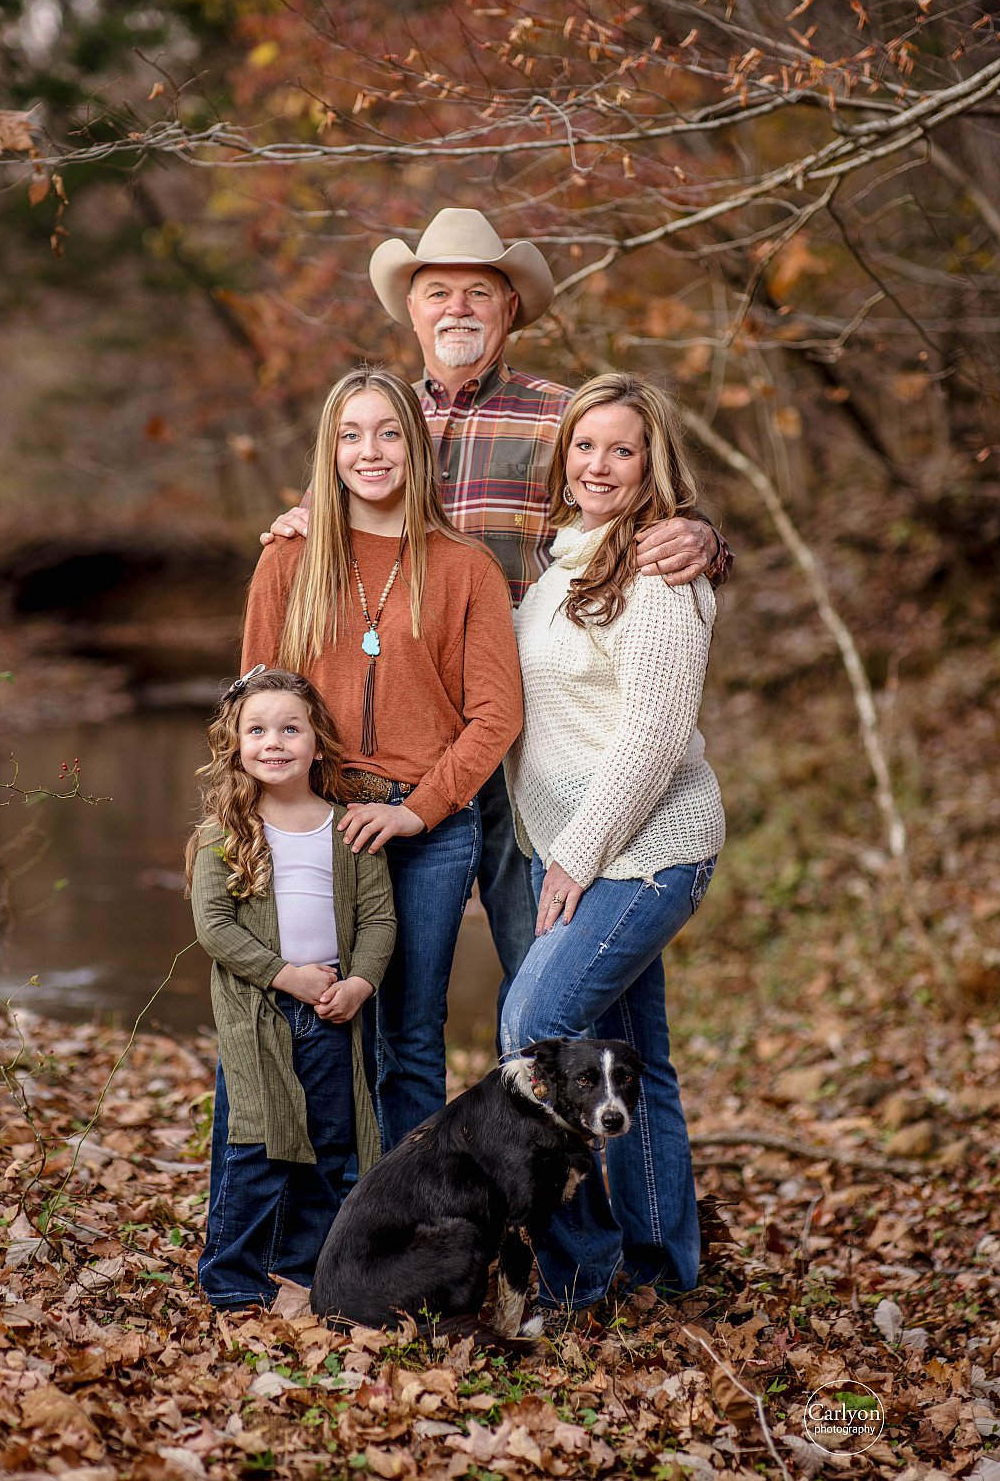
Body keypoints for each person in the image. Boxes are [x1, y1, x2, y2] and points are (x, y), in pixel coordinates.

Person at [260, 208, 732, 1018]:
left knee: (548, 984)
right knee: (393, 997)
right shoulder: (372, 427)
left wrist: (703, 536)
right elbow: (314, 555)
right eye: (437, 291)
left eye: (479, 292)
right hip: (398, 758)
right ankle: (414, 1150)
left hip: (528, 748)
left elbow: (642, 500)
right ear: (410, 308)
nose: (458, 308)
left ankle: (554, 1144)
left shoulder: (562, 420)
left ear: (510, 308)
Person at [241, 367, 522, 1149]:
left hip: (427, 830)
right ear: (330, 450)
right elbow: (255, 706)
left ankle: (411, 1231)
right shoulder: (288, 561)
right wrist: (260, 824)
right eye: (352, 434)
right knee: (321, 1027)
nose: (372, 451)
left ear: (417, 447)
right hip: (313, 825)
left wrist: (416, 810)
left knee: (410, 1041)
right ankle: (324, 1235)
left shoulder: (466, 567)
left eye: (390, 432)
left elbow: (496, 715)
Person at [499, 372, 726, 1311]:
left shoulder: (657, 572)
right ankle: (661, 1271)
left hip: (644, 850)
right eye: (585, 446)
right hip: (597, 847)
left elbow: (653, 736)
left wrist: (572, 858)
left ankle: (581, 1272)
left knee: (533, 1036)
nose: (599, 464)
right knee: (636, 1066)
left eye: (622, 450)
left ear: (651, 463)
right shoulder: (566, 559)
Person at [185, 665, 396, 1310]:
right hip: (260, 1014)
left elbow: (380, 917)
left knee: (329, 1150)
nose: (273, 742)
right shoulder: (227, 833)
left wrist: (358, 984)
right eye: (257, 730)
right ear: (235, 743)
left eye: (289, 728)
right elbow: (213, 927)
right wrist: (287, 977)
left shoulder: (348, 829)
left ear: (318, 741)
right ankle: (231, 1281)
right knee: (256, 1147)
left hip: (333, 1014)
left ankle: (301, 1275)